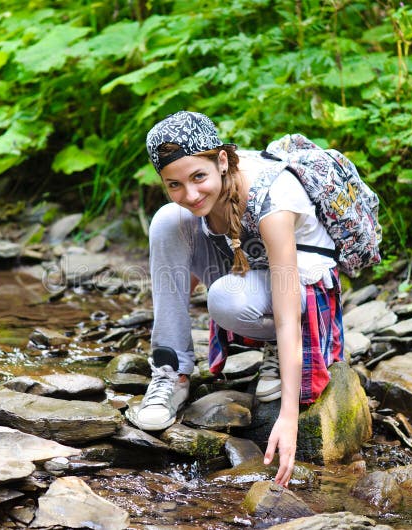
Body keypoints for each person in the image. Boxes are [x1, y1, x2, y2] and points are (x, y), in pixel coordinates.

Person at [126, 110, 344, 487]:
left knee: (226, 299)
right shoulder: (201, 199)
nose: (190, 194)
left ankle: (274, 349)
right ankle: (170, 372)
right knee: (166, 220)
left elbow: (290, 314)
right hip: (248, 264)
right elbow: (187, 263)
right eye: (174, 184)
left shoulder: (274, 199)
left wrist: (288, 418)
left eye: (198, 177)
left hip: (302, 293)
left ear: (222, 160)